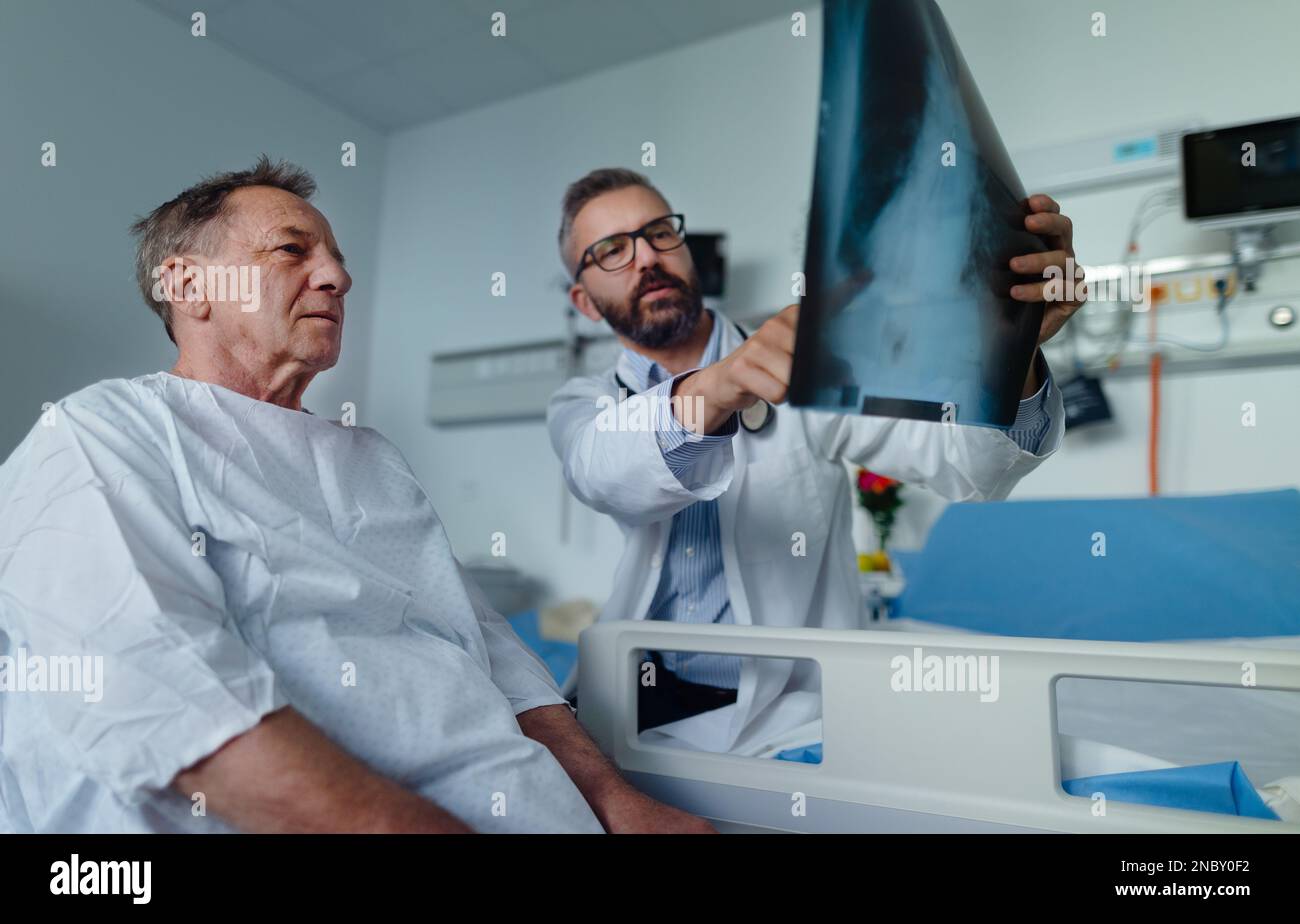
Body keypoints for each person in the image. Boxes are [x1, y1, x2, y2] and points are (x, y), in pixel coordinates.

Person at [0, 157, 712, 834]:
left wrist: (617, 800)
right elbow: (153, 689)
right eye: (290, 250)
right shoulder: (105, 435)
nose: (337, 276)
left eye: (338, 258)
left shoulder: (371, 461)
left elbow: (498, 658)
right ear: (187, 288)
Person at [547, 169, 1082, 753]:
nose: (647, 256)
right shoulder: (585, 403)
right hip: (636, 690)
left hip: (785, 703)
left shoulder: (808, 364)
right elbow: (600, 472)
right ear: (584, 300)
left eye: (658, 232)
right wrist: (724, 385)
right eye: (612, 250)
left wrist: (1014, 345)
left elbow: (967, 465)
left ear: (686, 249)